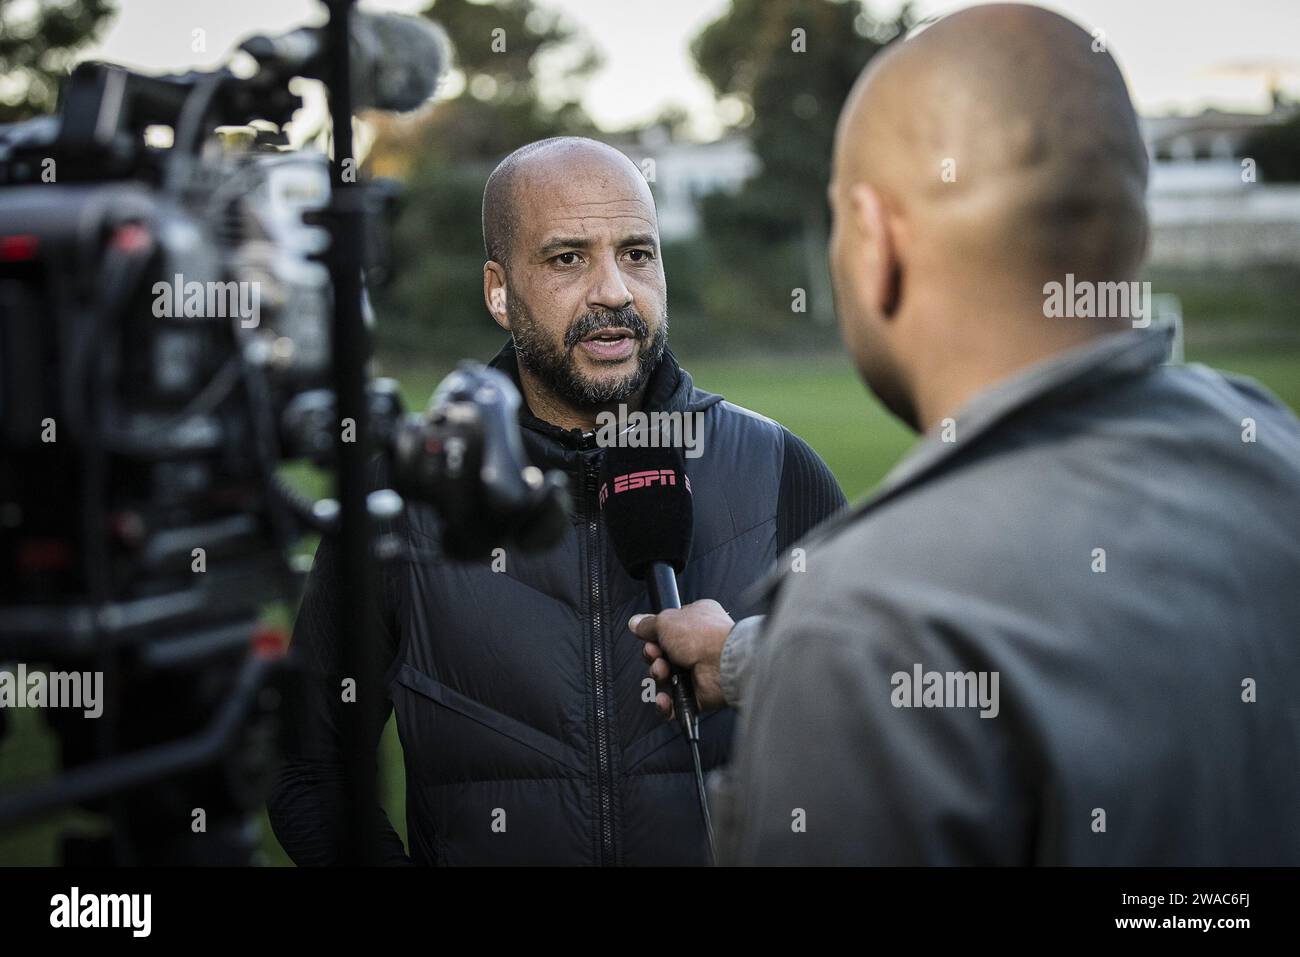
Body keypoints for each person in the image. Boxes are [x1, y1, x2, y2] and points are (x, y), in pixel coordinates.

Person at [632, 4, 1300, 864]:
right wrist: (750, 659)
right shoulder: (1271, 448)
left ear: (876, 242)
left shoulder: (865, 618)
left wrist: (818, 661)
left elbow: (925, 646)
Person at [267, 137, 846, 865]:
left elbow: (865, 735)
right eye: (569, 258)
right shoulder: (405, 490)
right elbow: (309, 768)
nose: (614, 291)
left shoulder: (780, 470)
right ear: (498, 291)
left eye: (637, 254)